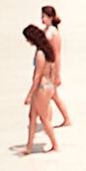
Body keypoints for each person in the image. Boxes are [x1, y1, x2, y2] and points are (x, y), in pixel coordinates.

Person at [21, 25, 59, 155]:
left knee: (44, 118)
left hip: (42, 88)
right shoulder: (47, 51)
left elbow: (37, 76)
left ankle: (55, 145)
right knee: (32, 116)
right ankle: (29, 146)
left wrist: (29, 95)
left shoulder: (40, 54)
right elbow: (52, 70)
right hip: (47, 86)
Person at [41, 5, 72, 126]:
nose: (42, 19)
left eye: (44, 16)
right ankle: (60, 119)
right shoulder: (47, 30)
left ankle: (62, 119)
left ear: (50, 17)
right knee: (51, 95)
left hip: (51, 67)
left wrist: (57, 73)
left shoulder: (53, 32)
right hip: (46, 66)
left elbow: (57, 53)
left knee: (51, 95)